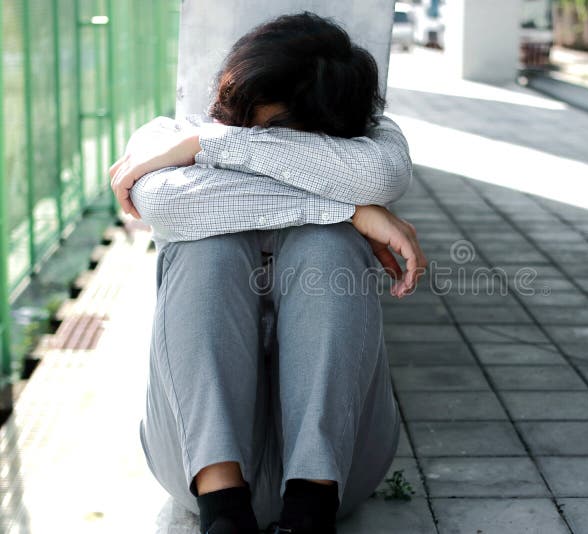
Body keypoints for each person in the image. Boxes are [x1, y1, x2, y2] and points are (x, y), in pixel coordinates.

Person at [109, 12, 426, 534]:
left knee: (327, 247)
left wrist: (211, 149)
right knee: (205, 247)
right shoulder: (166, 133)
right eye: (264, 133)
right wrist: (350, 209)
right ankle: (225, 513)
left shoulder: (374, 138)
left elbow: (380, 174)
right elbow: (165, 206)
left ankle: (309, 510)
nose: (274, 148)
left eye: (305, 148)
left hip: (338, 473)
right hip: (199, 469)